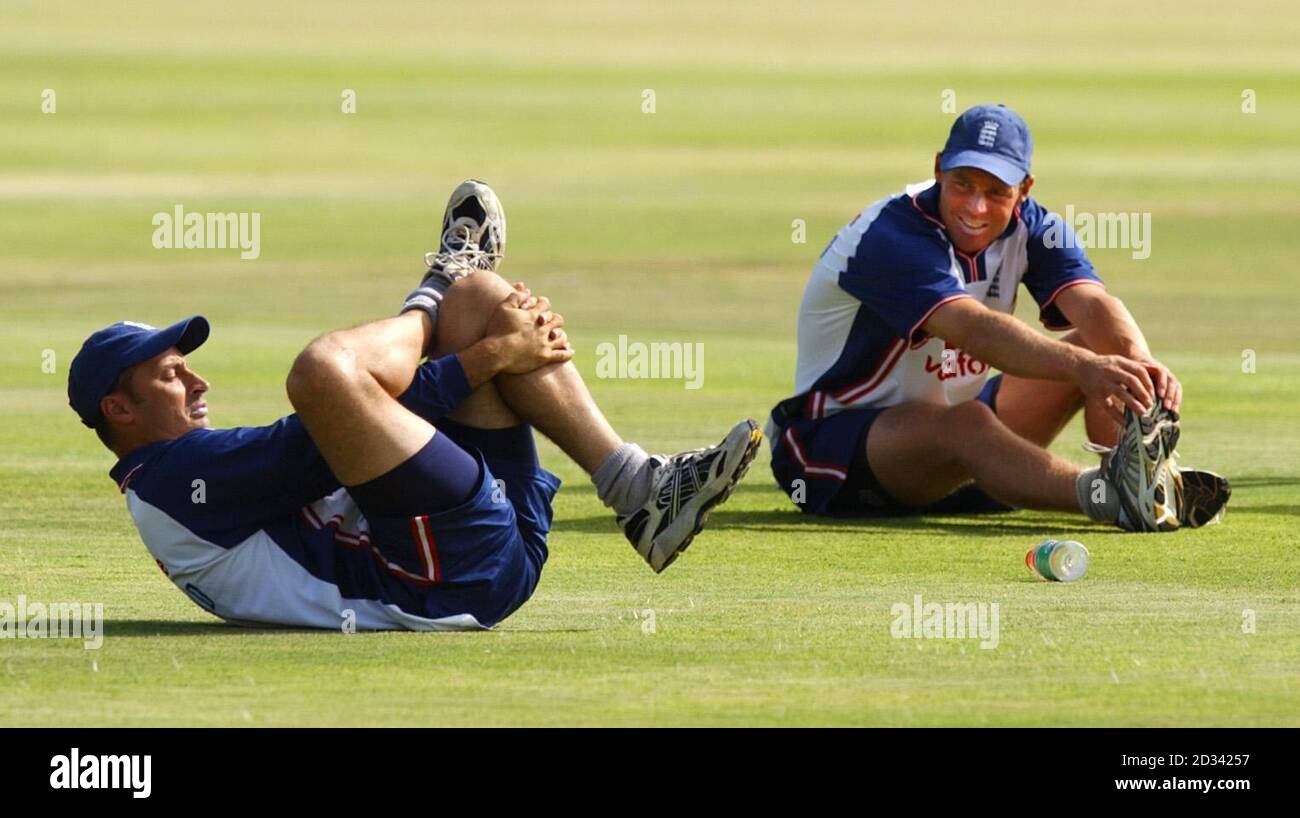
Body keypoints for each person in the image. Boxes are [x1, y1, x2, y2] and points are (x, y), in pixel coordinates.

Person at [68, 181, 762, 631]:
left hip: (465, 542)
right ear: (119, 410)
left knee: (480, 301)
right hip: (436, 578)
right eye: (172, 375)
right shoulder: (170, 481)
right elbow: (332, 423)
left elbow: (358, 423)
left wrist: (486, 344)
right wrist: (488, 357)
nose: (199, 384)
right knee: (322, 372)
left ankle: (637, 488)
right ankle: (436, 286)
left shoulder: (182, 474)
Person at [766, 104, 1229, 530]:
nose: (976, 206)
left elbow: (1092, 304)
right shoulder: (890, 235)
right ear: (938, 169)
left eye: (996, 191)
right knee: (974, 419)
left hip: (950, 448)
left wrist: (1141, 366)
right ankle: (1111, 498)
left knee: (1106, 353)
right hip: (830, 450)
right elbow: (972, 329)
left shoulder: (1036, 227)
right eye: (963, 184)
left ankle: (1143, 477)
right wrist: (1085, 368)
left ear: (1024, 189)